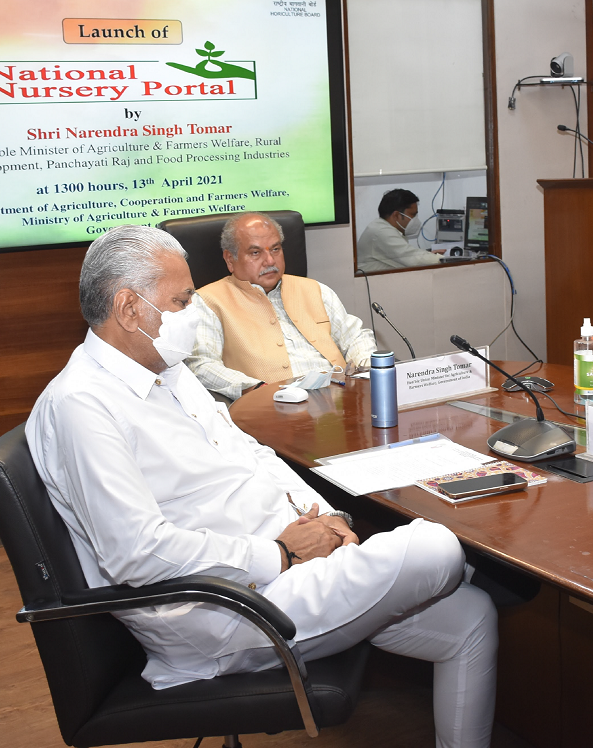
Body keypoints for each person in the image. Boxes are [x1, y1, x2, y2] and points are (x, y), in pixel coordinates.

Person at [27, 225, 498, 748]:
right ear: (129, 308)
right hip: (224, 609)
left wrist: (327, 518)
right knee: (436, 546)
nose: (191, 313)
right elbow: (135, 554)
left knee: (471, 616)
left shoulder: (166, 369)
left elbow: (253, 455)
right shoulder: (81, 405)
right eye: (181, 301)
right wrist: (280, 553)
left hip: (280, 566)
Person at [187, 212, 377, 400]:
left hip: (341, 400)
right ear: (230, 259)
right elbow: (201, 364)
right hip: (274, 407)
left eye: (275, 249)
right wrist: (253, 388)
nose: (270, 261)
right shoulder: (207, 302)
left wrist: (368, 369)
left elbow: (355, 336)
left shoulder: (315, 289)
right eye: (255, 252)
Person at [356, 189, 445, 272]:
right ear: (396, 215)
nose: (415, 220)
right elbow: (412, 259)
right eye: (412, 215)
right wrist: (445, 259)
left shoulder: (383, 228)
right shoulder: (382, 232)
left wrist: (429, 255)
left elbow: (406, 255)